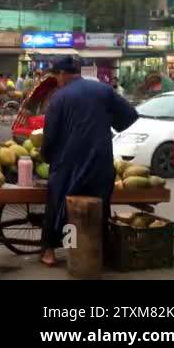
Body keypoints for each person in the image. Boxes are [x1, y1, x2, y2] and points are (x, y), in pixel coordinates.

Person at [40, 57, 138, 267]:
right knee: (98, 207)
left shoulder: (59, 98)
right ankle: (95, 253)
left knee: (59, 206)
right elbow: (129, 116)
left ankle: (52, 252)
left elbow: (49, 135)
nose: (56, 80)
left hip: (68, 164)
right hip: (100, 162)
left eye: (56, 76)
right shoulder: (103, 90)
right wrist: (104, 123)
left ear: (62, 74)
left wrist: (47, 157)